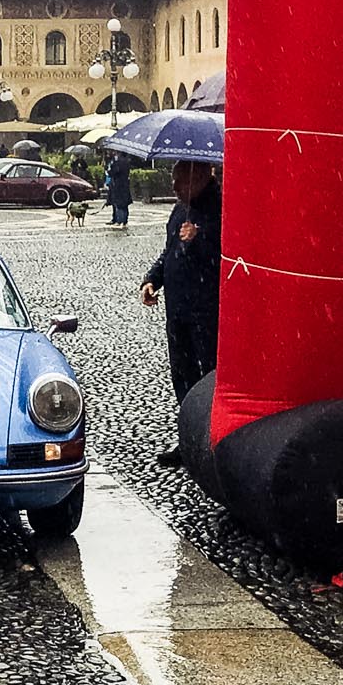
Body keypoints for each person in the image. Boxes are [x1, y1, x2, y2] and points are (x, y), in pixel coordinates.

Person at [139, 161, 222, 467]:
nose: (173, 187)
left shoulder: (220, 209)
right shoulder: (180, 210)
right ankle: (188, 437)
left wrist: (201, 238)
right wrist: (152, 279)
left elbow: (227, 258)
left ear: (200, 177)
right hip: (178, 310)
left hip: (205, 311)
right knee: (181, 374)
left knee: (206, 376)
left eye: (179, 181)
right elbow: (169, 251)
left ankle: (210, 439)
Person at [104, 153, 133, 229]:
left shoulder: (117, 162)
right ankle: (124, 221)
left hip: (118, 185)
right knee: (124, 204)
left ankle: (120, 221)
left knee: (119, 204)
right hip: (125, 184)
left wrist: (108, 171)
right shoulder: (126, 161)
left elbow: (114, 172)